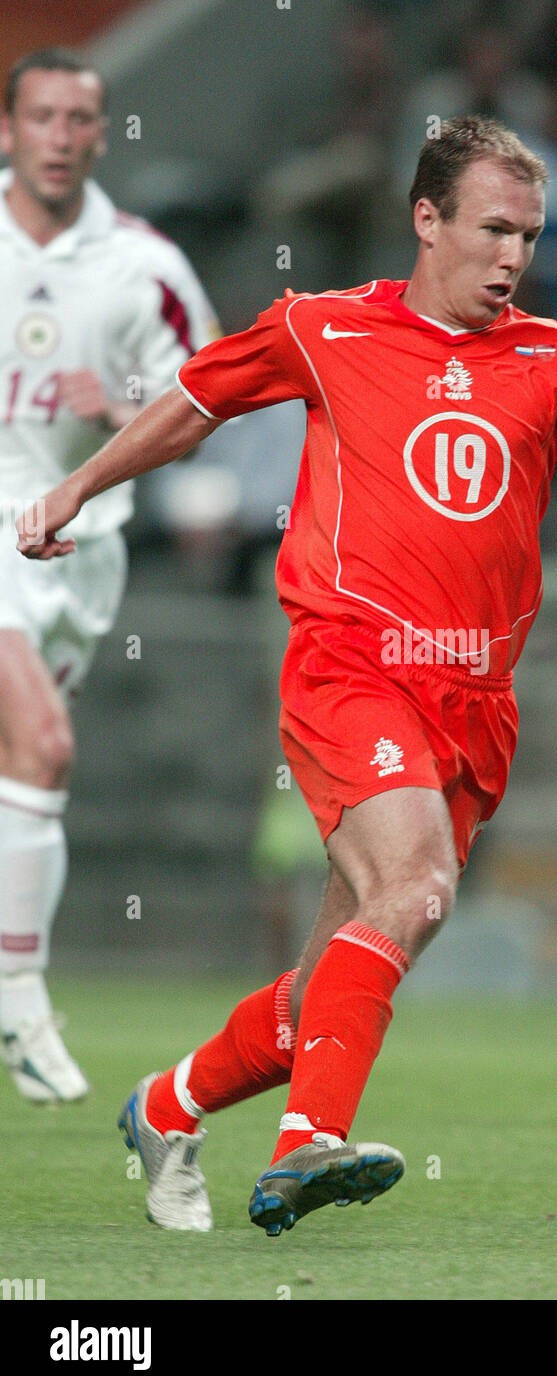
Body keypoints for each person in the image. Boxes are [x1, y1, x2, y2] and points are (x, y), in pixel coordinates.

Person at [17, 117, 557, 1234]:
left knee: (334, 982)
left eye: (527, 236)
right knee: (420, 885)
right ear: (424, 218)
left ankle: (166, 1103)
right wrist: (77, 488)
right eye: (492, 229)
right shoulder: (321, 328)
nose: (512, 257)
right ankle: (309, 1144)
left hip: (475, 704)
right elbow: (194, 400)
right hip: (349, 666)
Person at [0, 49, 217, 1103]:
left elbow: (208, 410)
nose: (59, 134)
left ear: (101, 132)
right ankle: (23, 1002)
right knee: (43, 747)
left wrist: (122, 401)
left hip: (84, 549)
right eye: (40, 115)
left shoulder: (146, 268)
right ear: (8, 129)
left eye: (79, 117)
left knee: (22, 779)